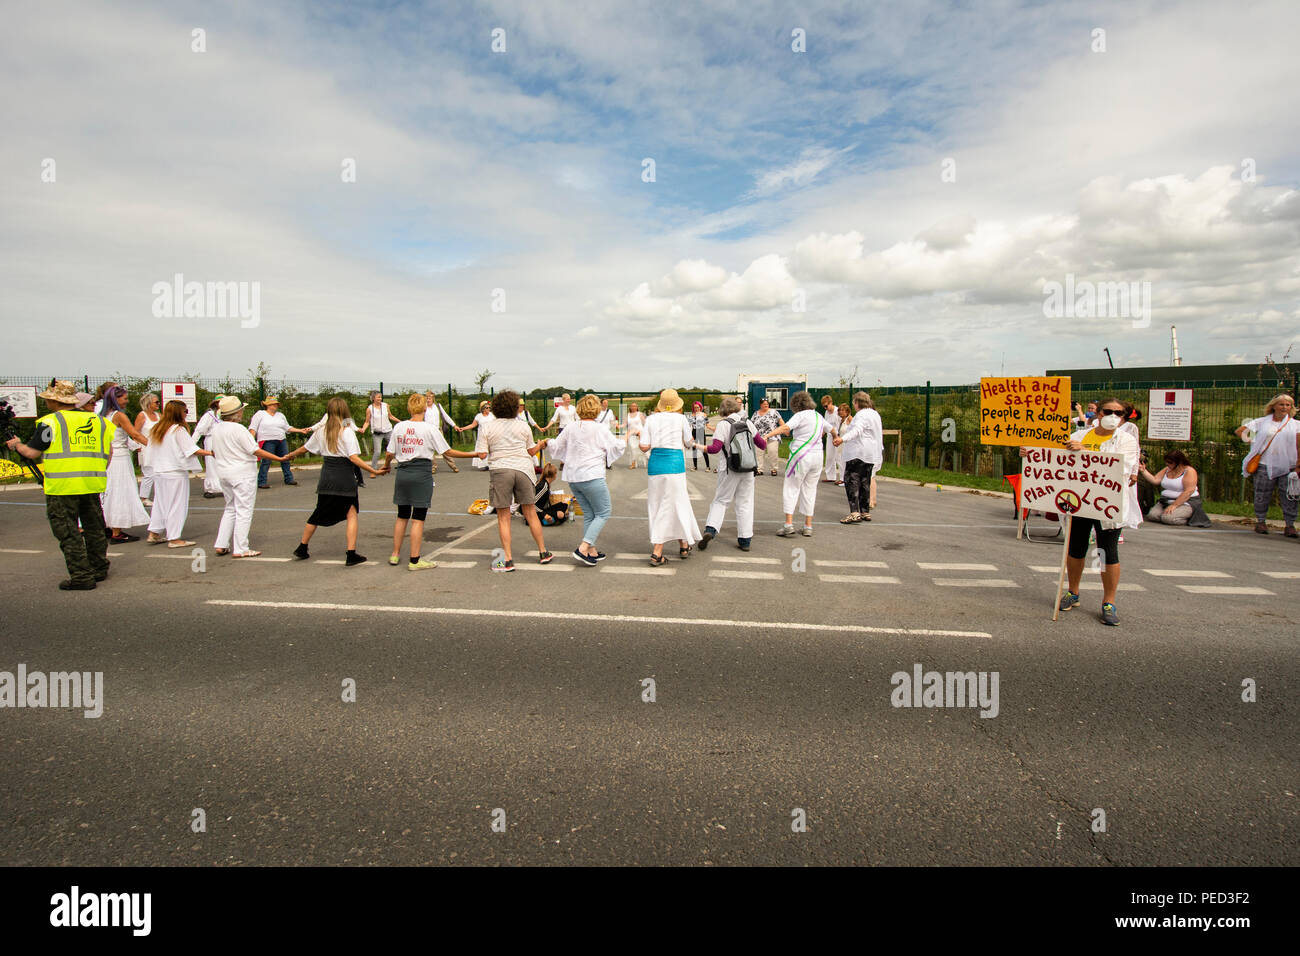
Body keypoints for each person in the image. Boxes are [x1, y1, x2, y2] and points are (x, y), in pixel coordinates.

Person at [5, 381, 115, 589]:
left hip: (62, 486)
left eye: (47, 398)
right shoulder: (99, 421)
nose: (46, 401)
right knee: (95, 528)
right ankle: (99, 568)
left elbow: (32, 453)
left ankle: (82, 576)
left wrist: (16, 444)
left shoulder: (50, 423)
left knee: (68, 531)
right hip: (92, 482)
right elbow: (109, 454)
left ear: (55, 401)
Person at [1057, 397, 1142, 627]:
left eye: (1120, 413)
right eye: (1109, 411)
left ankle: (1108, 602)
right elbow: (1057, 460)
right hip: (1080, 501)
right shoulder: (1079, 435)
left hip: (1108, 504)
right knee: (1076, 548)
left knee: (1107, 552)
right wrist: (1031, 455)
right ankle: (1073, 592)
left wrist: (1084, 452)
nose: (1114, 416)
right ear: (1099, 414)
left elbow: (1120, 466)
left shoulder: (1126, 440)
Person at [383, 393, 483, 570]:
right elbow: (448, 452)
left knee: (402, 515)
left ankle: (395, 554)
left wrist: (387, 465)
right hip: (421, 472)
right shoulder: (430, 429)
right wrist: (475, 454)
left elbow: (390, 452)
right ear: (424, 408)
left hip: (403, 472)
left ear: (409, 408)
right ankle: (415, 560)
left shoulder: (399, 427)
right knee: (418, 518)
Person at [284, 397, 383, 565]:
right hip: (343, 476)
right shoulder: (346, 431)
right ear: (344, 411)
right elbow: (353, 458)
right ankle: (351, 553)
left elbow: (305, 448)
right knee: (351, 512)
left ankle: (302, 546)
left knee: (318, 512)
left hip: (327, 476)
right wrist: (373, 470)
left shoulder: (321, 431)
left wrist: (290, 455)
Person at [547, 394, 626, 564]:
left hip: (574, 477)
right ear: (596, 409)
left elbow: (556, 445)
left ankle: (592, 550)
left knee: (590, 513)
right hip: (592, 476)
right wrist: (628, 436)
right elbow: (617, 446)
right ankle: (583, 547)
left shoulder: (570, 427)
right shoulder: (599, 428)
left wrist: (546, 441)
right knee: (604, 512)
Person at [482, 390, 553, 571]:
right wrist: (541, 444)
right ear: (515, 407)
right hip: (523, 469)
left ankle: (506, 559)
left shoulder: (488, 427)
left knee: (503, 516)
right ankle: (543, 552)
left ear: (496, 408)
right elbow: (531, 451)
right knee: (530, 511)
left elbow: (482, 453)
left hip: (501, 469)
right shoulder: (523, 426)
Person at [209, 395, 285, 557]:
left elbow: (214, 452)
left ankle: (222, 543)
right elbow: (254, 450)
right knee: (244, 510)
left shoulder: (216, 428)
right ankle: (241, 547)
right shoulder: (238, 429)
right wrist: (278, 458)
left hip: (224, 472)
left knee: (230, 507)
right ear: (236, 413)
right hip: (242, 473)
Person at [640, 388, 702, 566]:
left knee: (659, 505)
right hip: (675, 465)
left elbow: (644, 446)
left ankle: (683, 543)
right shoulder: (681, 418)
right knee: (675, 504)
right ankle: (657, 551)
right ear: (677, 404)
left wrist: (657, 442)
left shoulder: (651, 419)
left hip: (655, 466)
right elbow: (689, 442)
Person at [698, 395, 768, 552]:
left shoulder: (723, 425)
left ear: (723, 410)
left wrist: (698, 446)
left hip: (729, 468)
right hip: (748, 469)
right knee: (745, 503)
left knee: (721, 500)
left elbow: (715, 448)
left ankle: (711, 530)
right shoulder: (748, 422)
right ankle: (745, 539)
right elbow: (762, 445)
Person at [763, 391, 835, 537]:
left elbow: (785, 428)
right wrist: (836, 437)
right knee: (810, 489)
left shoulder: (800, 415)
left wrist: (767, 435)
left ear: (796, 405)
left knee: (791, 487)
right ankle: (808, 525)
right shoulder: (818, 416)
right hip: (817, 456)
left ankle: (788, 524)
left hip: (801, 456)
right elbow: (832, 429)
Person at [145, 400, 214, 548]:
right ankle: (174, 538)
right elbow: (191, 449)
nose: (186, 414)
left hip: (159, 471)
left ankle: (154, 532)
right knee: (177, 504)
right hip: (175, 471)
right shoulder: (178, 430)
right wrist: (211, 453)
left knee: (160, 503)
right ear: (179, 413)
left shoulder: (158, 428)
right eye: (185, 411)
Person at [1234, 394, 1299, 537]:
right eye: (1281, 404)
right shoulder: (1262, 422)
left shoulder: (1295, 425)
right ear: (1274, 406)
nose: (1284, 407)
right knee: (1262, 494)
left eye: (1288, 405)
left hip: (1288, 466)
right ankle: (1261, 521)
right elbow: (1240, 431)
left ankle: (1289, 525)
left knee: (1289, 495)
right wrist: (1254, 443)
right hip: (1265, 464)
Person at [98, 385, 152, 542]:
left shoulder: (102, 415)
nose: (127, 401)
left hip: (108, 457)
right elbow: (135, 434)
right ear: (116, 399)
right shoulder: (119, 416)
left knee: (109, 492)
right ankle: (117, 531)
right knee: (120, 492)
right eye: (125, 398)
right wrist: (154, 446)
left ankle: (108, 526)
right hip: (120, 457)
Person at [833, 391, 883, 523]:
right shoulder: (874, 414)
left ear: (857, 403)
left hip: (858, 453)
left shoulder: (861, 415)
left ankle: (854, 512)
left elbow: (856, 431)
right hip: (871, 453)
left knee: (851, 480)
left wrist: (842, 439)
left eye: (854, 402)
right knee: (865, 482)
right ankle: (865, 511)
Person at [249, 396, 310, 488]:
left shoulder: (280, 415)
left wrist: (300, 430)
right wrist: (250, 440)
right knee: (266, 461)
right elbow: (253, 428)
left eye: (276, 404)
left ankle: (289, 479)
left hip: (281, 440)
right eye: (272, 404)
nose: (275, 406)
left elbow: (287, 427)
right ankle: (261, 481)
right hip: (267, 441)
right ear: (267, 405)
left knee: (286, 459)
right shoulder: (260, 414)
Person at [1138, 449, 1208, 526]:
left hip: (1186, 502)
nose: (1167, 464)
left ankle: (1189, 519)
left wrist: (1174, 505)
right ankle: (1170, 513)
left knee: (1168, 518)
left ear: (1179, 463)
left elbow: (1188, 491)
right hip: (1166, 500)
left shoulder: (1189, 471)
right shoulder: (1167, 469)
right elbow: (1155, 480)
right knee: (1153, 516)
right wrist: (1143, 471)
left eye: (1170, 463)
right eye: (1167, 462)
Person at [192, 397, 226, 499]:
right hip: (211, 440)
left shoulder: (225, 416)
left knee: (222, 464)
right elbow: (199, 430)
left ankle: (223, 487)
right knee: (211, 464)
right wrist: (191, 444)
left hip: (223, 441)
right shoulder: (210, 415)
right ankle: (211, 488)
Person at [358, 390, 400, 471]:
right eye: (378, 397)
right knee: (377, 452)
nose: (380, 399)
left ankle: (401, 465)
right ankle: (373, 469)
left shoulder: (385, 406)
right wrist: (363, 428)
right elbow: (367, 422)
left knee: (395, 448)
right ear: (373, 398)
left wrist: (400, 421)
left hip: (388, 431)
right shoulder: (370, 409)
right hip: (377, 433)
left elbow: (390, 416)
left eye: (380, 397)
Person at [421, 389, 461, 473]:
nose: (428, 400)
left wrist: (454, 425)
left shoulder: (438, 406)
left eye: (429, 398)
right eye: (427, 398)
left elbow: (446, 416)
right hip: (427, 431)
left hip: (438, 430)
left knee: (444, 449)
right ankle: (433, 467)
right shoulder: (423, 408)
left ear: (433, 399)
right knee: (430, 450)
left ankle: (453, 466)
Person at [134, 392, 161, 504]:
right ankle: (143, 498)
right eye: (156, 402)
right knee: (149, 473)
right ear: (148, 403)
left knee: (159, 473)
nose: (158, 404)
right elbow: (135, 432)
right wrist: (137, 447)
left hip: (158, 447)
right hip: (145, 447)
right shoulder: (142, 415)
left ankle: (158, 496)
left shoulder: (159, 415)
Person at [457, 400, 494, 470]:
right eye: (487, 408)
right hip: (482, 436)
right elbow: (473, 425)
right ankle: (484, 465)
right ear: (483, 409)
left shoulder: (492, 415)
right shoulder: (479, 416)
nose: (488, 409)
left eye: (489, 407)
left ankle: (491, 464)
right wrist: (463, 428)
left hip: (491, 435)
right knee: (482, 450)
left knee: (491, 449)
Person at [750, 398, 783, 476]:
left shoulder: (774, 412)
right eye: (764, 404)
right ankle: (759, 469)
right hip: (759, 437)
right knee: (759, 454)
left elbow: (781, 422)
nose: (766, 405)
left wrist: (784, 429)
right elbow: (751, 424)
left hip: (772, 436)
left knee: (772, 452)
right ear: (760, 405)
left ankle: (774, 469)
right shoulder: (756, 413)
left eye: (767, 404)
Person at [686, 401, 712, 471]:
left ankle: (708, 467)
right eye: (695, 408)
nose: (696, 409)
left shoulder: (704, 415)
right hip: (694, 432)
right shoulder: (691, 416)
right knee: (694, 450)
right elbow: (689, 427)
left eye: (697, 407)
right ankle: (695, 466)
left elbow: (707, 425)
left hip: (701, 432)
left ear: (700, 407)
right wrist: (689, 436)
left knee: (704, 449)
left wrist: (713, 428)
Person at [625, 403, 646, 468]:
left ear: (637, 407)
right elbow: (625, 424)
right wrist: (618, 426)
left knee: (641, 449)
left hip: (640, 434)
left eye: (635, 406)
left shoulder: (640, 414)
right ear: (630, 407)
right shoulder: (628, 415)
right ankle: (633, 463)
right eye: (632, 406)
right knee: (632, 448)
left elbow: (645, 424)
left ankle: (648, 461)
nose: (633, 407)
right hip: (631, 434)